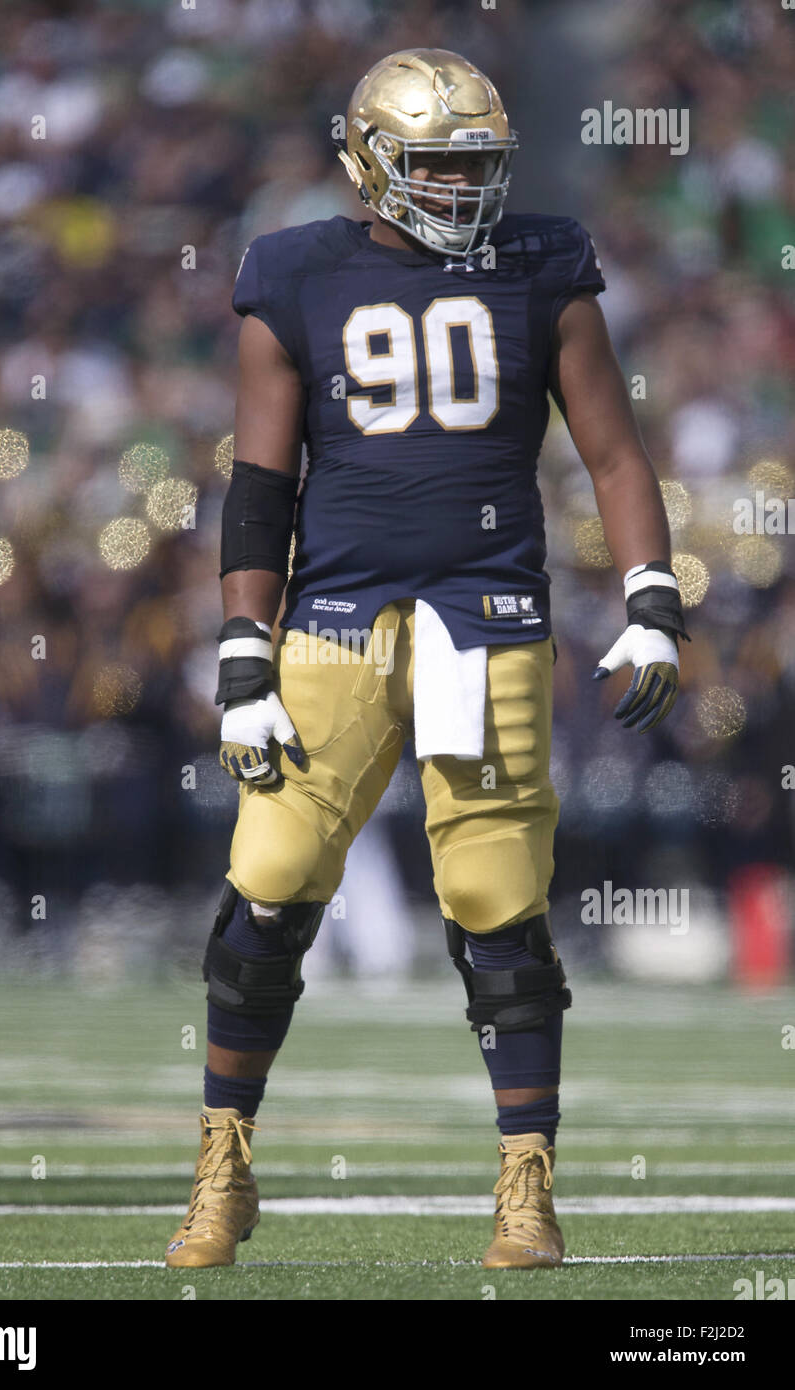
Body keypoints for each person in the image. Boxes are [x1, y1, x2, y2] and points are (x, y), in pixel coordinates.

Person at [165, 47, 688, 1272]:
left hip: (487, 612)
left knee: (498, 901)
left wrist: (652, 597)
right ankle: (223, 1155)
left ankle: (526, 1184)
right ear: (368, 161)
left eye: (476, 165)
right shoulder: (293, 273)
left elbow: (613, 451)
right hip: (336, 621)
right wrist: (244, 647)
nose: (461, 188)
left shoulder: (543, 261)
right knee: (271, 879)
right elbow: (258, 485)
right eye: (437, 164)